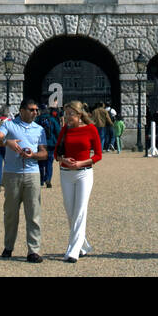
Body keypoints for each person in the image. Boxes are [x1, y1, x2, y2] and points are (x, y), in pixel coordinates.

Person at [0, 98, 46, 262]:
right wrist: (7, 142)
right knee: (10, 213)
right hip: (12, 173)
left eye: (36, 110)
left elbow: (44, 153)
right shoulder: (9, 125)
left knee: (34, 213)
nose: (35, 112)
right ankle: (8, 246)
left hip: (32, 174)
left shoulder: (39, 129)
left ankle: (33, 250)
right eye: (31, 109)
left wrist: (33, 155)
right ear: (21, 110)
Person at [55, 101, 101, 263]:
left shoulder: (91, 129)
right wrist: (63, 159)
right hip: (66, 173)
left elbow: (98, 155)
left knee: (80, 211)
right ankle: (83, 245)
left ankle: (73, 250)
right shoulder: (65, 130)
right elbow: (56, 153)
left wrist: (81, 163)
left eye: (70, 114)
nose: (67, 117)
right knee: (70, 212)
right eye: (66, 114)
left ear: (79, 115)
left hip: (84, 174)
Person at [38, 105, 61, 188]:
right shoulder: (52, 120)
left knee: (40, 163)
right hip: (51, 144)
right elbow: (58, 132)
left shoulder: (38, 119)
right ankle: (48, 179)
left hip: (40, 144)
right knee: (49, 163)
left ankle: (41, 180)